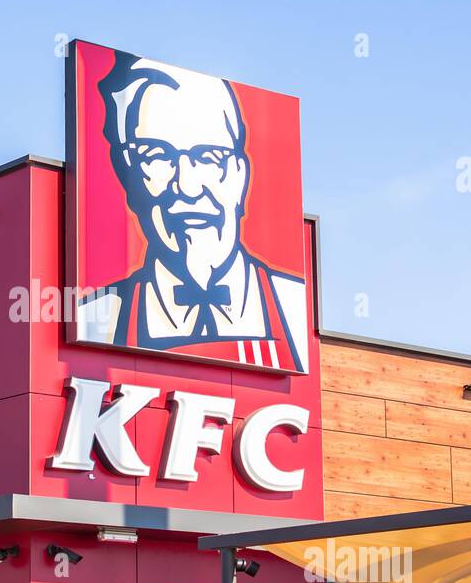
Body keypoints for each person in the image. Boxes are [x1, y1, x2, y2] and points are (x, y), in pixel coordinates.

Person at [76, 52, 308, 372]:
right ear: (128, 175)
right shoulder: (94, 318)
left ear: (240, 175)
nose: (188, 186)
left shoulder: (296, 309)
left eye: (210, 157)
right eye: (157, 155)